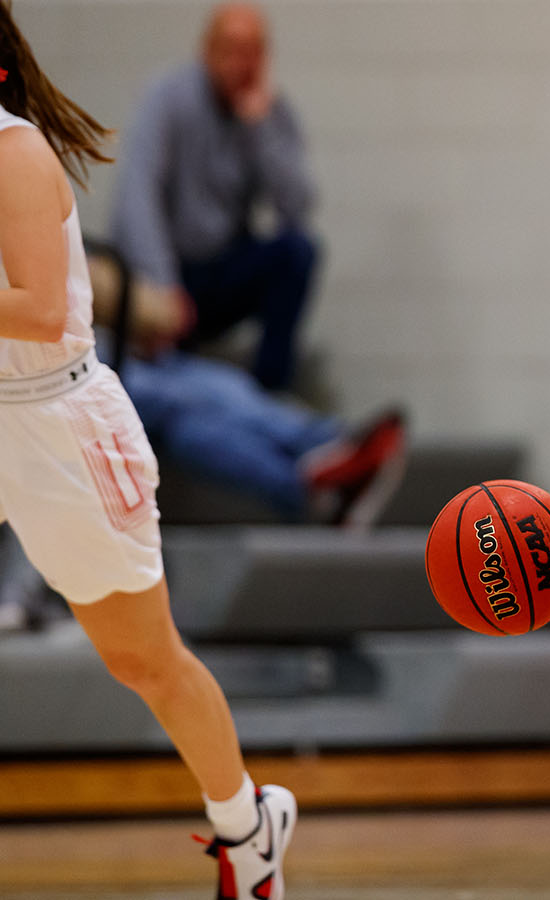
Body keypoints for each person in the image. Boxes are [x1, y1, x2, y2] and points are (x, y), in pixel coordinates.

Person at [0, 8, 294, 898]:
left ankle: (247, 827)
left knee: (145, 661)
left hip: (58, 424)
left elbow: (42, 309)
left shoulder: (13, 150)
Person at [87, 253, 407, 526]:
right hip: (72, 376)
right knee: (178, 399)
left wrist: (148, 309)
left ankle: (319, 471)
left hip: (111, 351)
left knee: (202, 409)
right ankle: (324, 456)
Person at [111, 2, 316, 391]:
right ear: (206, 50)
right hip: (168, 272)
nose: (240, 63)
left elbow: (297, 208)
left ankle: (268, 394)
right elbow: (136, 197)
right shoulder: (168, 96)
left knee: (298, 252)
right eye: (230, 49)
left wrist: (260, 132)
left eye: (252, 51)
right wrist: (163, 283)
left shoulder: (271, 112)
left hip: (223, 267)